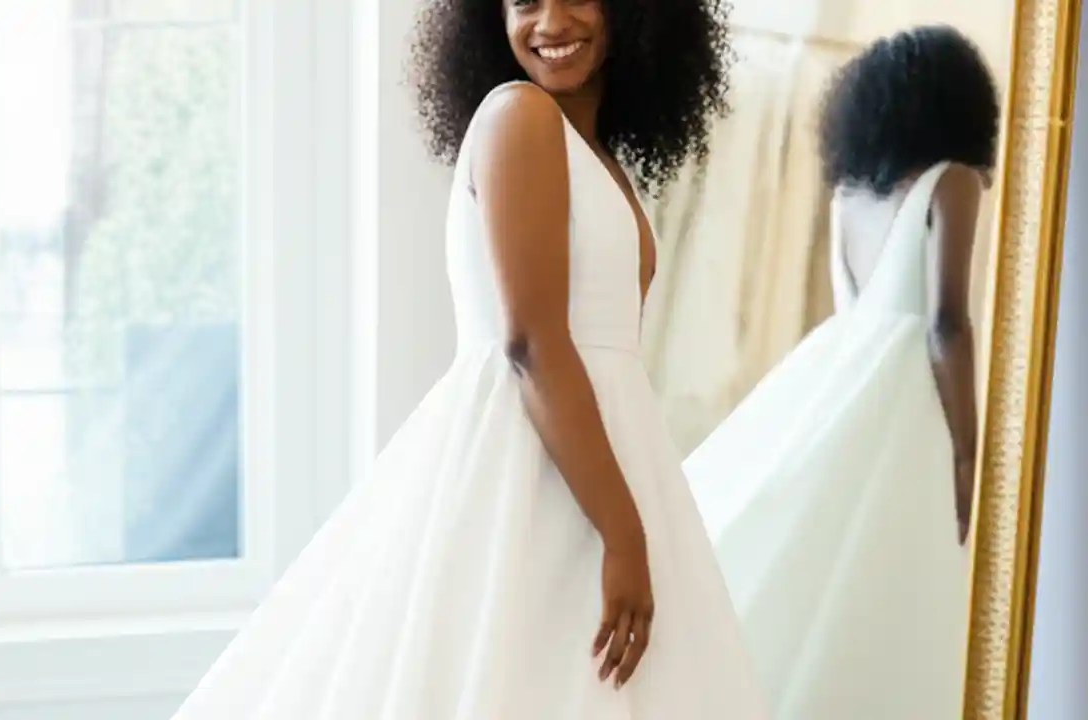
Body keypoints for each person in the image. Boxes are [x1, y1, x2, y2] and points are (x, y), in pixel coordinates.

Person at [172, 0, 768, 717]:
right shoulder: (520, 115)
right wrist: (624, 534)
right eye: (523, 1)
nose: (550, 22)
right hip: (530, 477)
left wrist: (627, 526)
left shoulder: (594, 151)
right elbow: (532, 343)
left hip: (599, 468)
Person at [684, 25, 1001, 719]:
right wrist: (970, 450)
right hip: (908, 398)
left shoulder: (849, 193)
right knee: (893, 591)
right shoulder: (954, 182)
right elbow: (948, 322)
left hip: (837, 373)